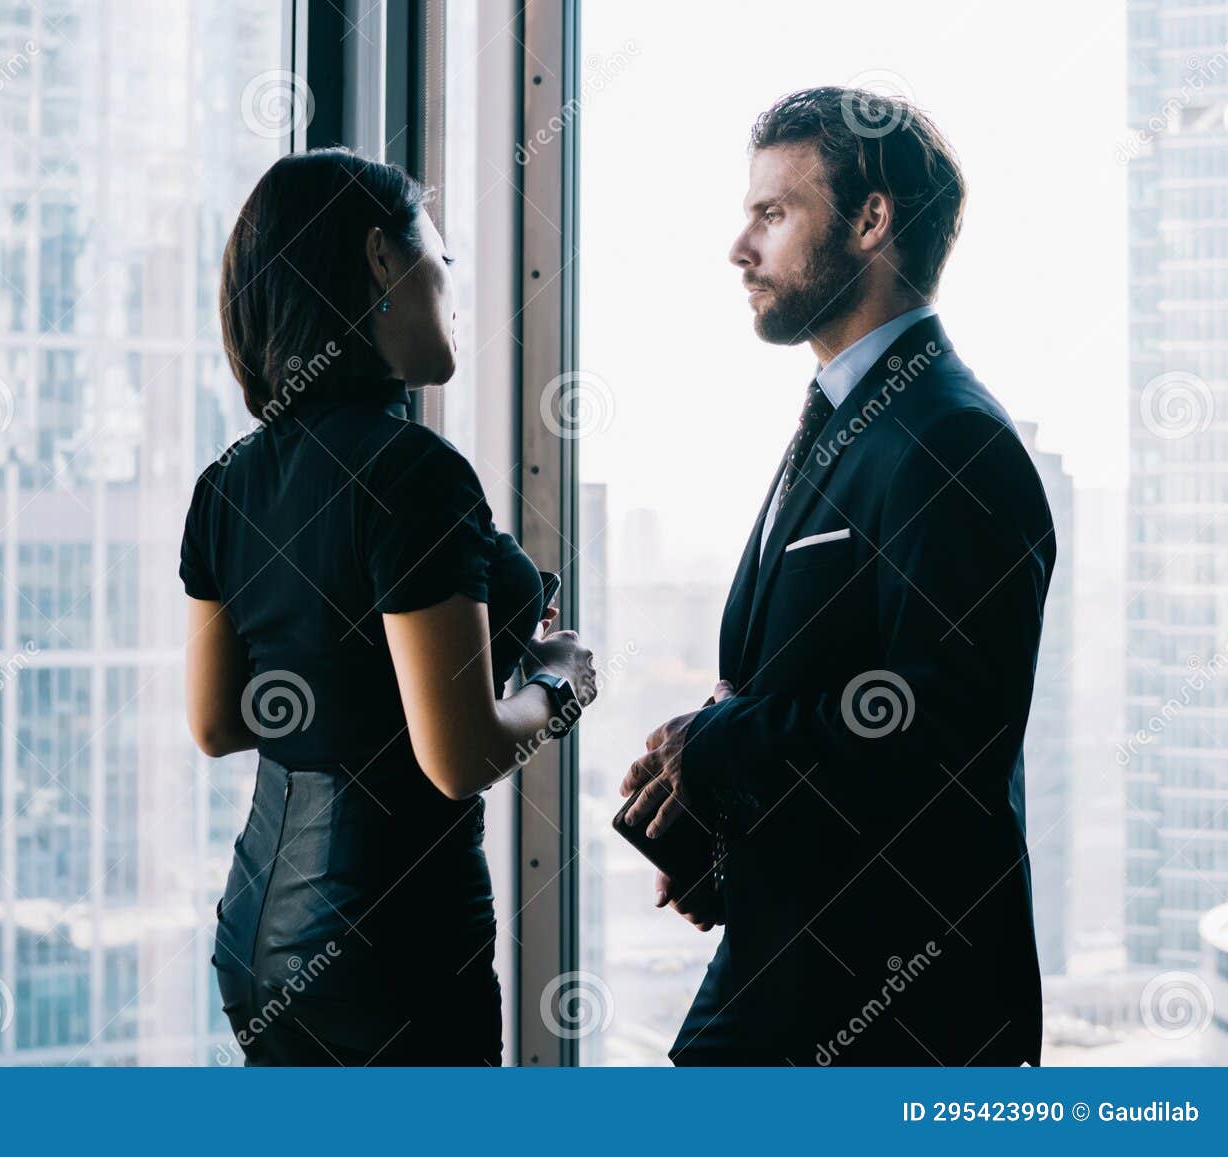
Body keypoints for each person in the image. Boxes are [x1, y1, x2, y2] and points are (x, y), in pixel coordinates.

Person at [622, 87, 1056, 1065]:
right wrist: (727, 824)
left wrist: (719, 744)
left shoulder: (949, 439)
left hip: (891, 1015)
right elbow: (829, 684)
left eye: (772, 214)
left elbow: (943, 732)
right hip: (792, 976)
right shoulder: (850, 421)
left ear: (870, 221)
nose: (739, 248)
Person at [181, 148, 597, 1065]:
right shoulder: (414, 474)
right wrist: (559, 684)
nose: (451, 288)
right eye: (440, 261)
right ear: (381, 258)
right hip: (390, 941)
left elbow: (216, 723)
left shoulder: (226, 483)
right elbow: (460, 759)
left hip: (257, 931)